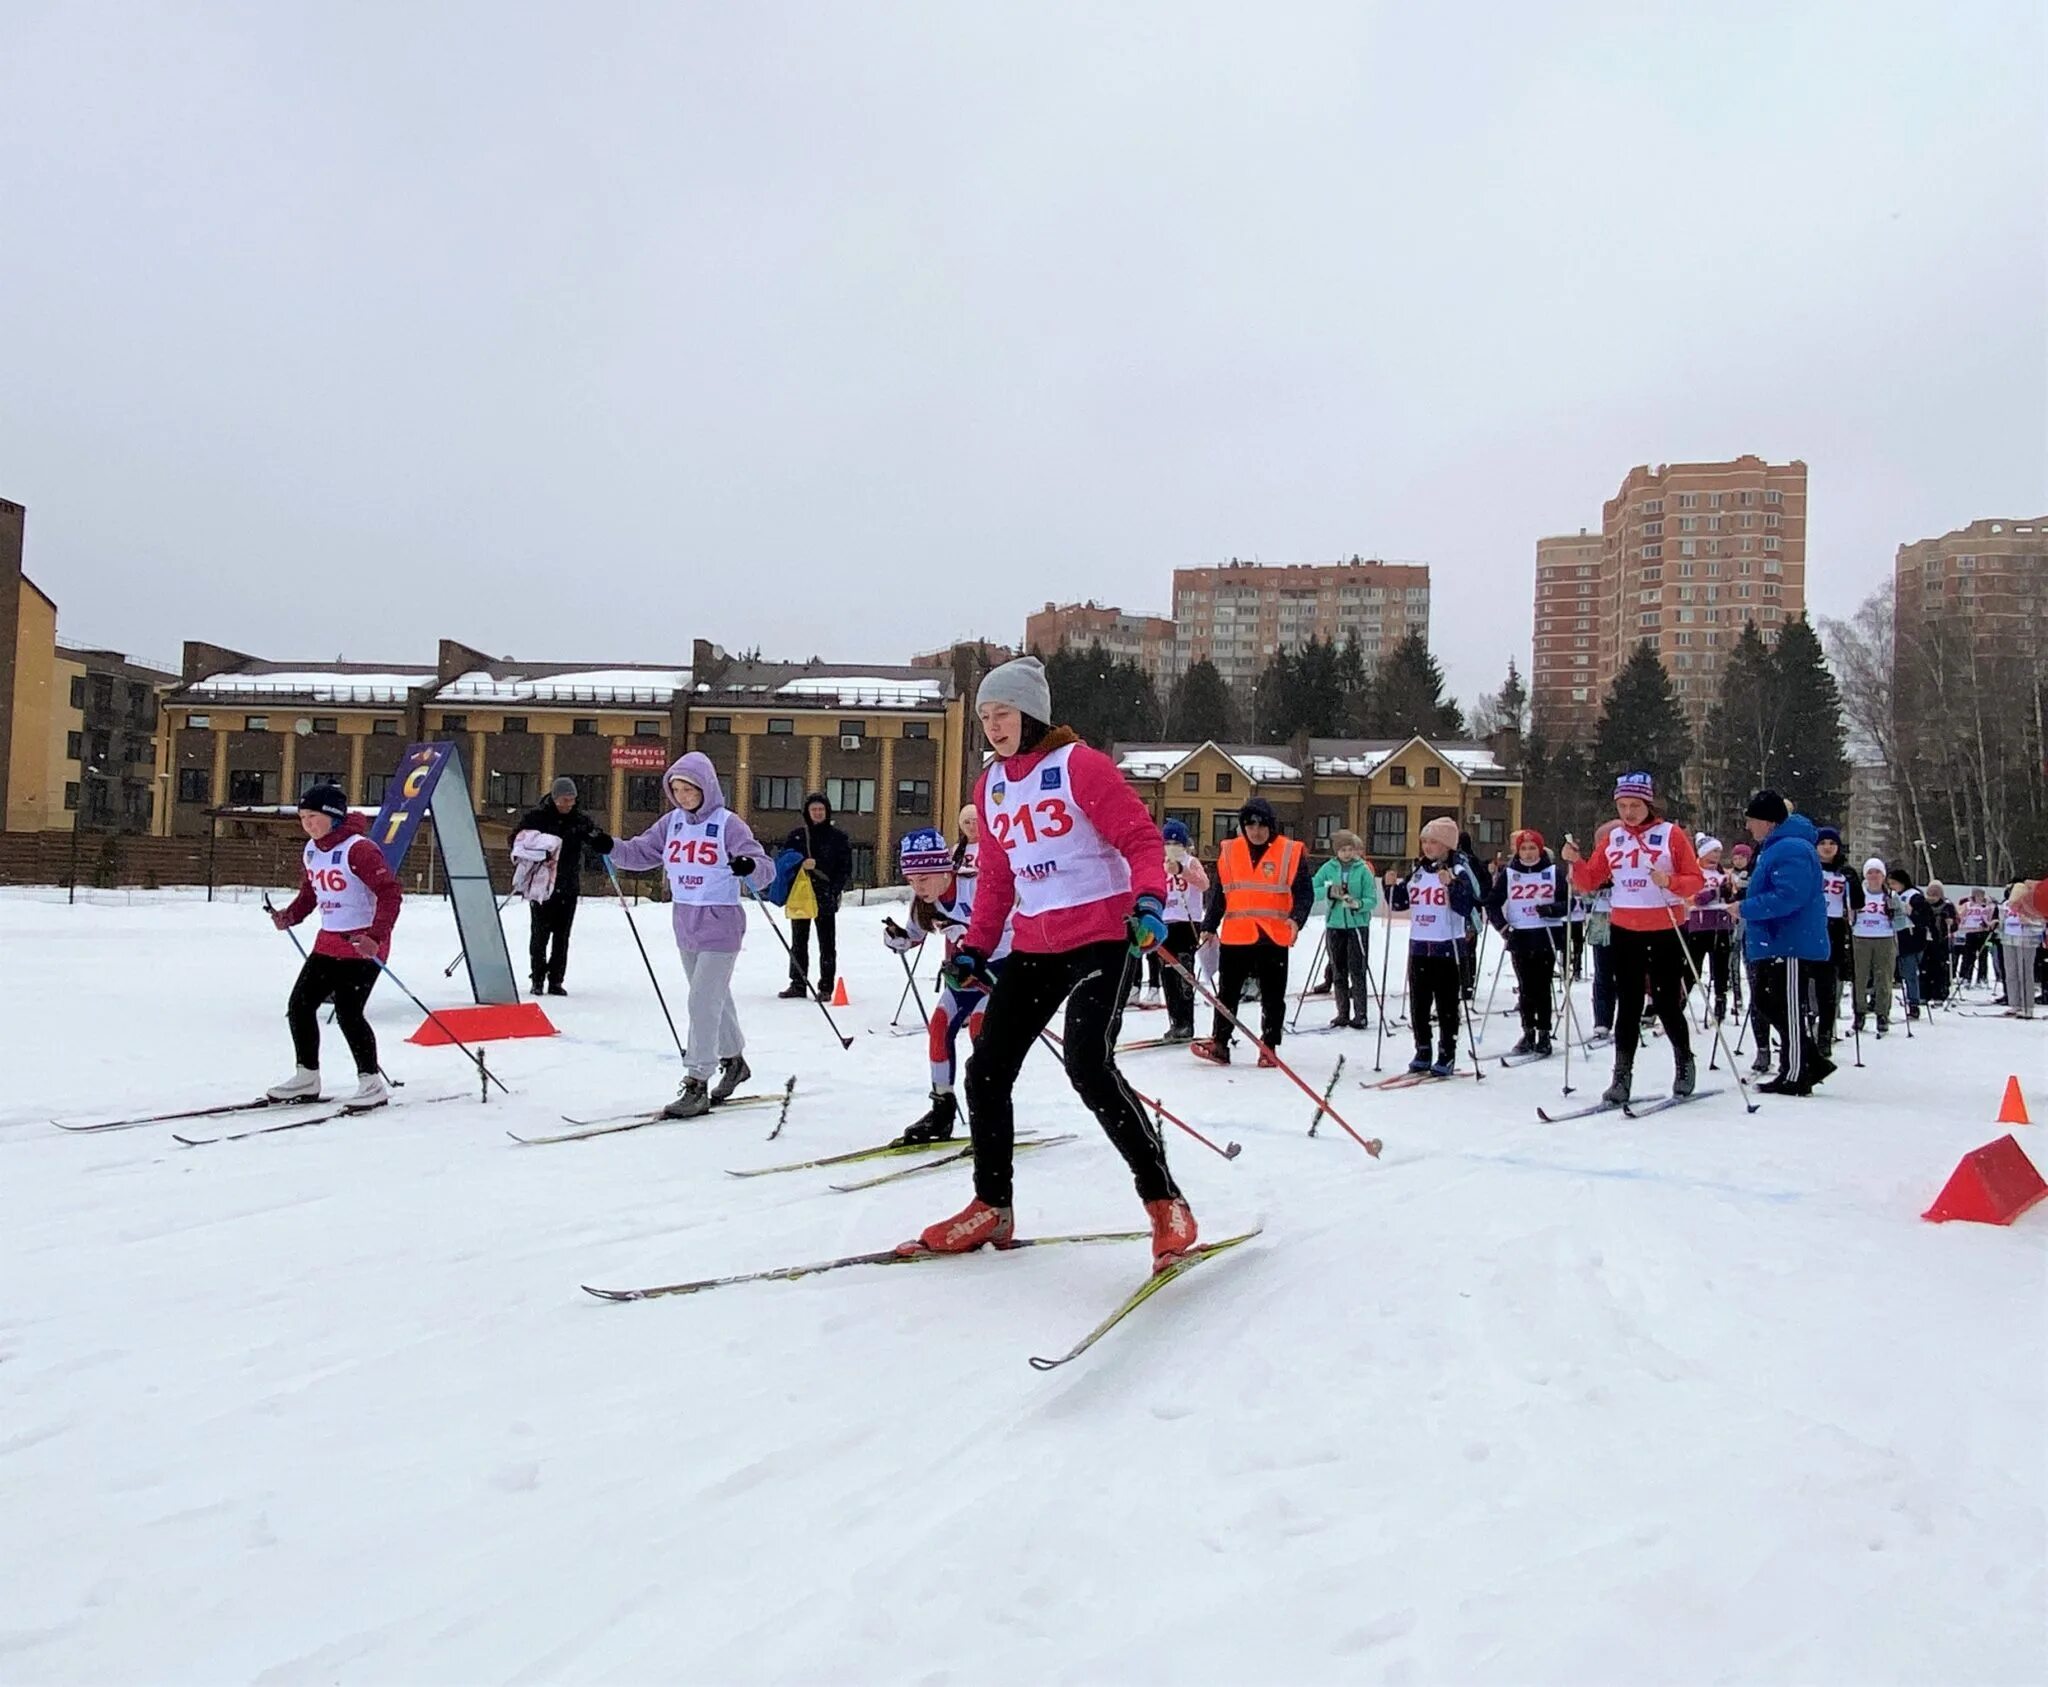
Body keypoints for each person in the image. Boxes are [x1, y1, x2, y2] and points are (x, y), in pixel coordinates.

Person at [909, 656, 1195, 1273]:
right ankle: (993, 1205)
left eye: (1003, 713)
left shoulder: (1080, 767)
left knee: (1088, 1061)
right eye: (985, 716)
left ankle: (1165, 1201)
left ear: (1031, 712)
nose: (993, 726)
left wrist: (1150, 899)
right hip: (1036, 944)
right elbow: (996, 877)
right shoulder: (991, 786)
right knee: (987, 1070)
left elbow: (1141, 840)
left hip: (1103, 934)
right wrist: (978, 948)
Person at [608, 753, 775, 1117]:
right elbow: (640, 852)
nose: (683, 797)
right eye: (677, 790)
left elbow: (764, 869)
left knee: (701, 1001)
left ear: (707, 787)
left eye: (689, 789)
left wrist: (748, 866)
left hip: (721, 923)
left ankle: (697, 1081)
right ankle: (734, 1061)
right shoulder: (672, 824)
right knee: (714, 999)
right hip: (686, 923)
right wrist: (611, 847)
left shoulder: (728, 824)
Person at [1568, 773, 1703, 1105]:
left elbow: (1695, 880)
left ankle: (1684, 1062)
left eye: (1635, 805)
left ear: (1648, 804)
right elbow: (1590, 881)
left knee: (1666, 1002)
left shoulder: (1670, 834)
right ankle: (1621, 1077)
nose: (1628, 812)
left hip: (1665, 927)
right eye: (1623, 806)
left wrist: (1669, 880)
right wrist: (1575, 862)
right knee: (1627, 1004)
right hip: (1624, 927)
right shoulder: (1613, 838)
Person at [266, 782, 403, 1108]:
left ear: (333, 817)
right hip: (328, 943)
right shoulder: (312, 850)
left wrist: (375, 936)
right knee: (299, 1006)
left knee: (348, 1012)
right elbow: (312, 893)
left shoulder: (359, 849)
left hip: (362, 945)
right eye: (302, 817)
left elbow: (390, 893)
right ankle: (307, 1076)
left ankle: (371, 1083)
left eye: (314, 816)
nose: (308, 824)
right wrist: (290, 916)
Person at [881, 827, 1011, 1143]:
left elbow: (1009, 927)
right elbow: (913, 935)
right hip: (962, 973)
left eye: (923, 879)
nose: (918, 887)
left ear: (944, 870)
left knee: (980, 1031)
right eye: (911, 880)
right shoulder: (925, 902)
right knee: (939, 1027)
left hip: (998, 968)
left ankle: (990, 1114)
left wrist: (971, 946)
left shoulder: (976, 886)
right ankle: (942, 1111)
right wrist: (898, 939)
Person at [1192, 797, 1312, 1066]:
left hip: (1272, 935)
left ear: (1270, 826)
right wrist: (1209, 925)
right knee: (1227, 993)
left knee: (1272, 996)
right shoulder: (1230, 851)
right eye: (1249, 825)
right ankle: (1220, 1043)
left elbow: (1304, 893)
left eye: (1260, 825)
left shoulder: (1289, 852)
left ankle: (1269, 1046)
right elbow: (1220, 895)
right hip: (1237, 934)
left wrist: (1297, 919)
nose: (1255, 831)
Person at [1738, 790, 1833, 1095]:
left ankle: (1796, 1072)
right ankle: (1810, 1061)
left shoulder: (1790, 848)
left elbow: (1789, 896)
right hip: (1776, 939)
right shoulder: (1776, 848)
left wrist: (1745, 908)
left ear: (1767, 821)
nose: (1749, 827)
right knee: (1767, 1001)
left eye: (1752, 821)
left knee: (1786, 1005)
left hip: (1790, 941)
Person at [1388, 815, 1479, 1075]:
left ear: (1447, 845)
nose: (1428, 847)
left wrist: (1451, 885)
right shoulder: (1418, 871)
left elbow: (1467, 905)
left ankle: (1446, 1052)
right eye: (1425, 841)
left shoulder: (1458, 870)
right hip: (1419, 945)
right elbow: (1399, 903)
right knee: (1419, 1003)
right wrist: (1391, 887)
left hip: (1447, 946)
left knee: (1447, 1004)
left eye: (1434, 842)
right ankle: (1423, 1049)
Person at [511, 776, 613, 996]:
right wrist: (538, 848)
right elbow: (516, 841)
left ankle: (556, 980)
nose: (568, 805)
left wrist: (600, 839)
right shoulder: (537, 817)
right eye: (564, 800)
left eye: (571, 800)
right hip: (542, 885)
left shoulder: (579, 820)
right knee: (539, 934)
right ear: (554, 798)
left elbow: (600, 842)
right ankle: (537, 978)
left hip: (568, 885)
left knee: (562, 936)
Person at [1484, 827, 1566, 1057]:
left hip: (1545, 934)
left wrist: (1551, 909)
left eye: (1532, 848)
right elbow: (1492, 903)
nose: (1528, 853)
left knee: (1542, 987)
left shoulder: (1552, 872)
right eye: (1523, 849)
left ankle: (1544, 1033)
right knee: (1526, 987)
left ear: (1540, 850)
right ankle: (1528, 1031)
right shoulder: (1509, 874)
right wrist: (1502, 926)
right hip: (1520, 935)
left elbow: (1567, 902)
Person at [777, 793, 852, 1001]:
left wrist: (834, 890)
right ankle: (798, 983)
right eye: (813, 809)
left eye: (821, 809)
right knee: (798, 940)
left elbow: (845, 868)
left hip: (825, 895)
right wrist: (800, 863)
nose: (817, 813)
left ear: (827, 812)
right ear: (807, 813)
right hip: (801, 894)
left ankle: (826, 986)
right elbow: (783, 861)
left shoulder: (838, 838)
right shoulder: (797, 836)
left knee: (826, 942)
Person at [1312, 829, 1379, 1030]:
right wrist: (1330, 891)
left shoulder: (1363, 870)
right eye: (1343, 850)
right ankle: (1342, 1013)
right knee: (1338, 971)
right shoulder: (1328, 868)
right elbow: (1312, 889)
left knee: (1357, 970)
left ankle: (1361, 1014)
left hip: (1357, 925)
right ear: (1336, 851)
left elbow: (1372, 899)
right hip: (1335, 924)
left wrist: (1358, 904)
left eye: (1350, 849)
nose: (1347, 853)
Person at [1156, 820, 1209, 1042]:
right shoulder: (1161, 864)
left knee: (1183, 973)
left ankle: (1187, 1023)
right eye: (1167, 843)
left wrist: (1182, 871)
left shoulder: (1191, 862)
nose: (1172, 847)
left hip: (1187, 922)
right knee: (1167, 974)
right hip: (1166, 922)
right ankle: (1175, 1021)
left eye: (1176, 843)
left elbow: (1204, 884)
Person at [1685, 836, 1738, 1024]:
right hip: (1699, 926)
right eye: (1712, 851)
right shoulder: (1693, 873)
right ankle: (1680, 1002)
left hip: (1721, 926)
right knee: (1692, 968)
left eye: (1718, 852)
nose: (1716, 856)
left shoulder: (1724, 875)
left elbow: (1732, 901)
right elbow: (1692, 899)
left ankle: (1720, 1003)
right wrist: (1714, 893)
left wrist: (1730, 894)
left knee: (1721, 969)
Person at [1848, 858, 1904, 1036]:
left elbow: (1901, 921)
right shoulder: (1858, 893)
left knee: (1884, 978)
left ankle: (1882, 1013)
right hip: (1861, 937)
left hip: (1884, 938)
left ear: (1883, 876)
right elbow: (1849, 914)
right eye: (1870, 872)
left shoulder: (1891, 895)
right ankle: (1859, 1012)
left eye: (1877, 873)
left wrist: (1896, 912)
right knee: (1860, 978)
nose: (1874, 876)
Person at [1814, 826, 1852, 1048]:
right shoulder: (1810, 868)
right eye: (1823, 844)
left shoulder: (1844, 872)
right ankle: (1808, 1023)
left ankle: (1825, 1033)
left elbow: (1856, 904)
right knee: (1806, 980)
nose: (1827, 848)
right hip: (1812, 924)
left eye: (1832, 844)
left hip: (1835, 926)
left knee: (1828, 984)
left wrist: (1853, 883)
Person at [1887, 867, 1933, 1020]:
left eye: (1894, 883)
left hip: (1911, 939)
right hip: (1900, 937)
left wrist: (1911, 912)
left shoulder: (1914, 896)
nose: (1892, 887)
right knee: (1904, 972)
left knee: (1910, 973)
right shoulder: (1895, 896)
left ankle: (1914, 1003)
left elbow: (1925, 919)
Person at [1999, 881, 2045, 1017]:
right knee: (2011, 972)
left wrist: (2029, 921)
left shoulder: (2032, 905)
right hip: (2008, 939)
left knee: (2025, 973)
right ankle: (2014, 1004)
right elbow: (2003, 920)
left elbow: (2041, 923)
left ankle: (2027, 1006)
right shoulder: (2006, 905)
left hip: (2027, 940)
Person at [1921, 880, 1957, 1004]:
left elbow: (1955, 924)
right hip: (1925, 941)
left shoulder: (1947, 906)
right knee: (1924, 967)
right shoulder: (1924, 904)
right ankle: (1924, 993)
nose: (1932, 897)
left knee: (1940, 968)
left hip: (1941, 941)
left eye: (1934, 894)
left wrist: (1951, 924)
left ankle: (1940, 994)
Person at [1958, 888, 1995, 987]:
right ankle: (1966, 976)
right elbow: (1960, 915)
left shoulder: (1987, 906)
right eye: (1977, 896)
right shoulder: (1967, 905)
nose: (1979, 898)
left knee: (1983, 956)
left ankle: (1982, 977)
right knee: (1968, 956)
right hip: (1970, 932)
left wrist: (1988, 924)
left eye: (1981, 896)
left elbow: (1991, 917)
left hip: (1984, 933)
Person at [954, 803, 980, 876]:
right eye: (967, 823)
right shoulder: (956, 849)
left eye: (975, 822)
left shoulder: (988, 849)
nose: (971, 827)